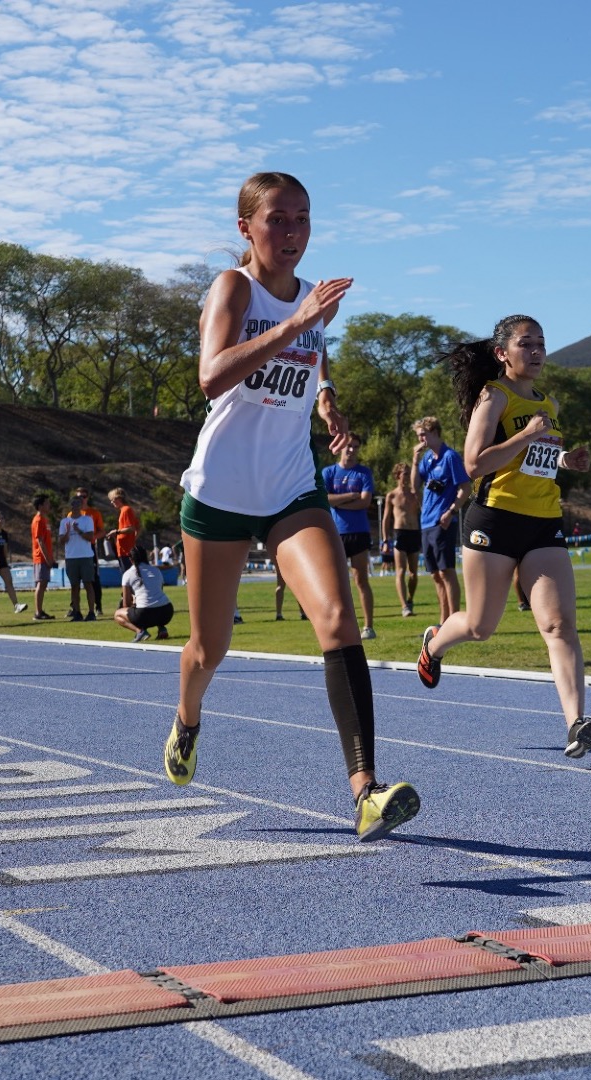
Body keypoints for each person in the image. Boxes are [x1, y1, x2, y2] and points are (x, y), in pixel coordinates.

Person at [165, 170, 418, 841]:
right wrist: (296, 325)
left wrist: (327, 403)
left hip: (289, 487)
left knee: (337, 618)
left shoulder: (316, 302)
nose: (292, 232)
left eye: (302, 219)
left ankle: (365, 791)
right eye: (277, 219)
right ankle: (188, 718)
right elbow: (212, 374)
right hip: (220, 492)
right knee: (208, 649)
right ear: (245, 227)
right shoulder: (233, 289)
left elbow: (311, 366)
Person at [413, 315, 591, 758]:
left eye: (541, 343)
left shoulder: (547, 403)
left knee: (559, 625)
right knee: (480, 627)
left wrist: (564, 461)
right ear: (502, 353)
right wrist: (527, 434)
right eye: (525, 344)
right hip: (494, 520)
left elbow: (533, 461)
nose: (535, 351)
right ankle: (434, 644)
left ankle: (576, 723)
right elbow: (476, 463)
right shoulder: (493, 396)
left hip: (543, 521)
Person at [414, 416, 471, 623]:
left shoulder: (450, 457)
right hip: (426, 522)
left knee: (446, 571)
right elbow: (414, 487)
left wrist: (451, 511)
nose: (420, 439)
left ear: (434, 432)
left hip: (443, 521)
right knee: (435, 575)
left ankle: (453, 620)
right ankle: (443, 620)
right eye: (419, 435)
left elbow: (466, 487)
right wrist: (414, 460)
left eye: (423, 434)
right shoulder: (427, 459)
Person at [322, 440, 378, 640]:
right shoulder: (329, 473)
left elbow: (364, 502)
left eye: (356, 446)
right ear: (340, 449)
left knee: (361, 580)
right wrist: (351, 496)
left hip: (359, 532)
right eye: (349, 446)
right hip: (335, 532)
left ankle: (368, 626)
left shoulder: (363, 473)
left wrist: (340, 502)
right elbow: (325, 499)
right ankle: (337, 627)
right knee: (334, 583)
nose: (352, 450)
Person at [382, 462, 420, 616]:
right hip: (400, 534)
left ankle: (410, 599)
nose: (407, 476)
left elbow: (424, 509)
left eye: (409, 473)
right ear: (398, 475)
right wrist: (385, 540)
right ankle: (404, 606)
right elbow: (386, 519)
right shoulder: (391, 495)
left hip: (414, 533)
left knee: (414, 573)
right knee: (401, 571)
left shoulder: (415, 494)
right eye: (405, 473)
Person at [114, 549, 175, 642]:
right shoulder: (156, 570)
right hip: (167, 612)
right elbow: (158, 593)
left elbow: (126, 604)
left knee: (117, 614)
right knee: (154, 605)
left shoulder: (128, 574)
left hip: (145, 614)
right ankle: (162, 628)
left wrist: (134, 602)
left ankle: (140, 632)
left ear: (131, 559)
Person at [57, 494, 99, 621]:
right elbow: (61, 541)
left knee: (88, 584)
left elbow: (91, 537)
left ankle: (91, 612)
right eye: (73, 504)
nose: (75, 507)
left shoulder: (87, 519)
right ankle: (77, 612)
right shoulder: (64, 522)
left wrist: (78, 530)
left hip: (85, 557)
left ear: (81, 506)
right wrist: (68, 533)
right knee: (74, 586)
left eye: (77, 504)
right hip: (71, 558)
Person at [72, 486, 106, 616]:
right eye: (78, 497)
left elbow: (102, 531)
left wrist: (92, 538)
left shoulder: (94, 513)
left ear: (87, 498)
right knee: (75, 579)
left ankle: (98, 606)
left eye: (83, 496)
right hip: (75, 550)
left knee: (93, 578)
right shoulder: (71, 514)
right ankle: (74, 607)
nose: (81, 499)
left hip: (89, 548)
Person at [29, 493, 57, 620]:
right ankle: (38, 613)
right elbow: (40, 541)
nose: (49, 505)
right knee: (41, 584)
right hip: (40, 557)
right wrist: (47, 559)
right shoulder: (38, 520)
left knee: (44, 583)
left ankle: (40, 611)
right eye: (46, 503)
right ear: (40, 506)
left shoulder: (45, 519)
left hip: (45, 557)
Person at [108, 488, 141, 563]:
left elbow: (131, 528)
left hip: (126, 551)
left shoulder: (126, 510)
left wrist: (116, 532)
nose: (111, 502)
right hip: (123, 550)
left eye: (112, 499)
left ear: (119, 498)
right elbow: (138, 527)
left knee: (127, 573)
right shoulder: (124, 510)